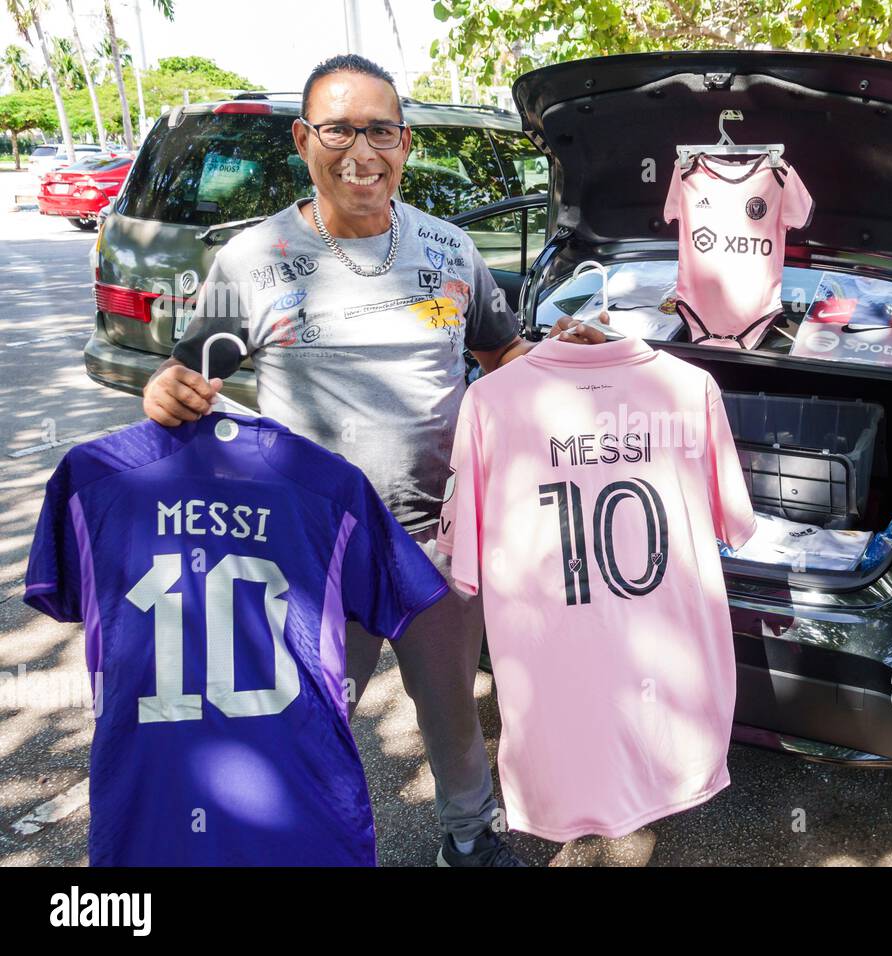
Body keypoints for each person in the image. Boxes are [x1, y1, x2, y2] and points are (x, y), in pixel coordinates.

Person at [142, 53, 603, 866]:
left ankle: (469, 838)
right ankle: (292, 840)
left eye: (380, 131)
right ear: (303, 139)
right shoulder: (253, 260)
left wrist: (567, 352)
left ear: (405, 142)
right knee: (308, 715)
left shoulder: (450, 251)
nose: (362, 150)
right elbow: (194, 378)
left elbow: (503, 357)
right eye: (339, 129)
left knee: (452, 711)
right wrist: (166, 392)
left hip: (440, 541)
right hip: (313, 553)